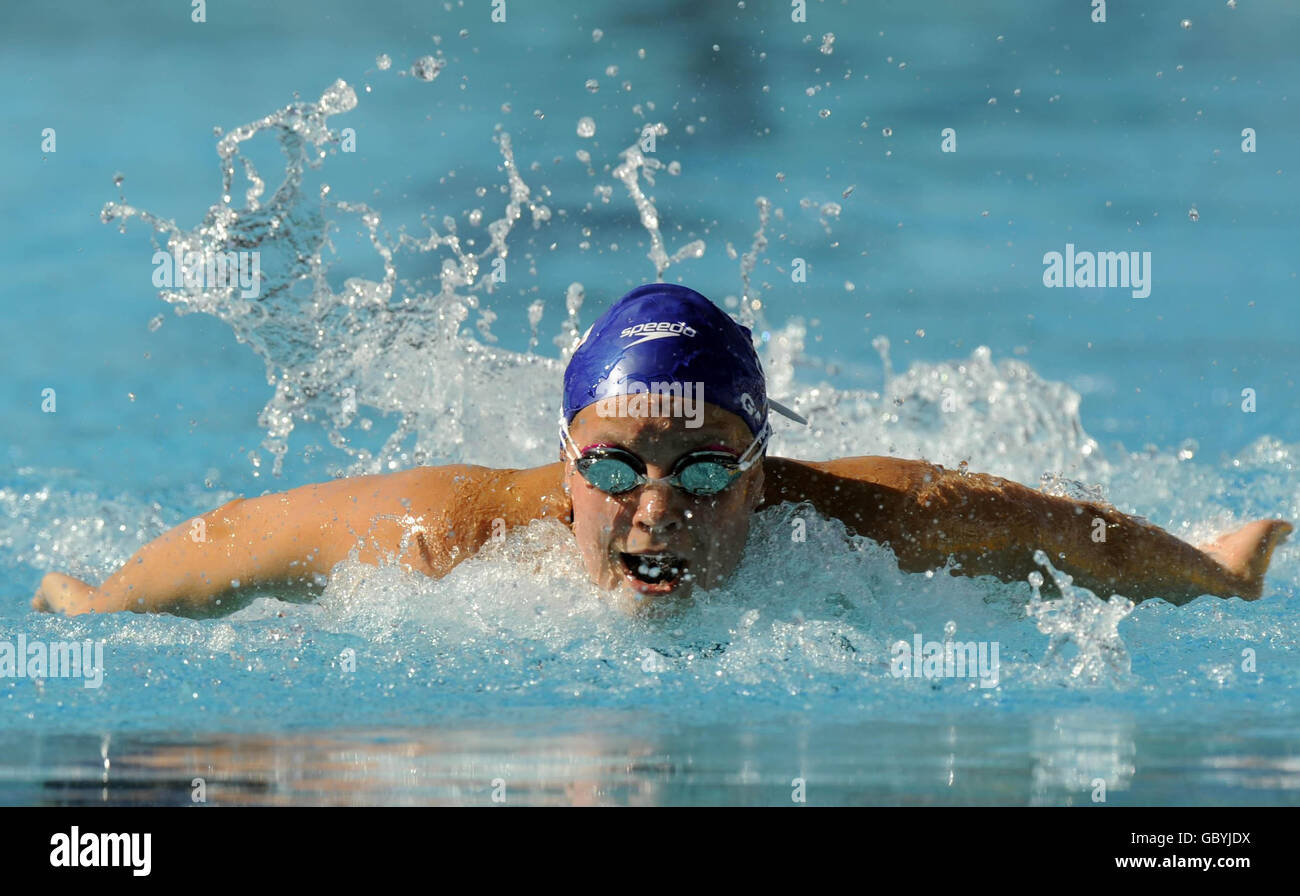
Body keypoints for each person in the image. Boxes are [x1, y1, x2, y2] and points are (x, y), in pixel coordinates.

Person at [33, 283, 1292, 616]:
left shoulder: (866, 521)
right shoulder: (450, 534)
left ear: (758, 469)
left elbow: (1054, 529)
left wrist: (1211, 570)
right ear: (563, 456)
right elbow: (236, 543)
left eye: (701, 471)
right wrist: (94, 601)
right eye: (615, 468)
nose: (655, 511)